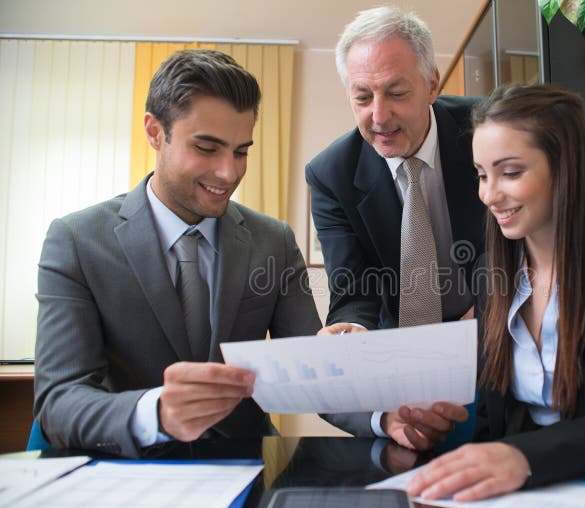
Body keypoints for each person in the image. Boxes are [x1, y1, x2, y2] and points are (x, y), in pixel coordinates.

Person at [407, 84, 585, 501]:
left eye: (510, 173)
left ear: (566, 168)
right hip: (537, 496)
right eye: (482, 174)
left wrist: (524, 458)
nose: (489, 194)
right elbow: (496, 418)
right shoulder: (492, 274)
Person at [33, 49, 321, 457]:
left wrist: (383, 417)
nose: (229, 173)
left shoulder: (273, 240)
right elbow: (59, 401)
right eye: (207, 148)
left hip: (247, 466)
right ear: (155, 131)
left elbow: (314, 368)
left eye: (241, 151)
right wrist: (157, 413)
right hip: (130, 471)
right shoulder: (76, 241)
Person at [306, 6, 486, 449]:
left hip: (497, 339)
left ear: (432, 84)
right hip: (405, 369)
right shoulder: (330, 173)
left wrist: (491, 304)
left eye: (396, 93)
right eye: (362, 97)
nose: (379, 117)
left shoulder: (489, 128)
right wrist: (353, 330)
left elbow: (533, 238)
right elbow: (354, 292)